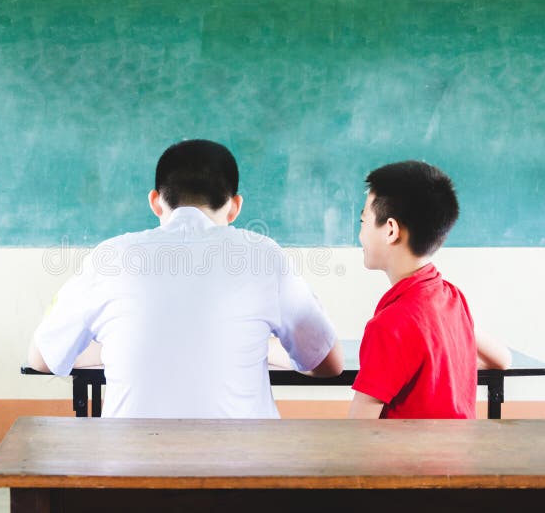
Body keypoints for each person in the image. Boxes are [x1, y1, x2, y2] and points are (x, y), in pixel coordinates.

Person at [28, 139, 343, 418]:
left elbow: (41, 358)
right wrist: (266, 349)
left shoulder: (110, 257)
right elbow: (329, 364)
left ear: (155, 201)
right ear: (235, 207)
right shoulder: (264, 255)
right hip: (243, 464)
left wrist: (112, 349)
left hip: (130, 464)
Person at [349, 160, 511, 419]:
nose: (360, 235)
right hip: (461, 445)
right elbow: (502, 359)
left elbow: (358, 431)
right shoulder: (452, 298)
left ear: (390, 230)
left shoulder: (389, 326)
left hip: (407, 448)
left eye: (363, 221)